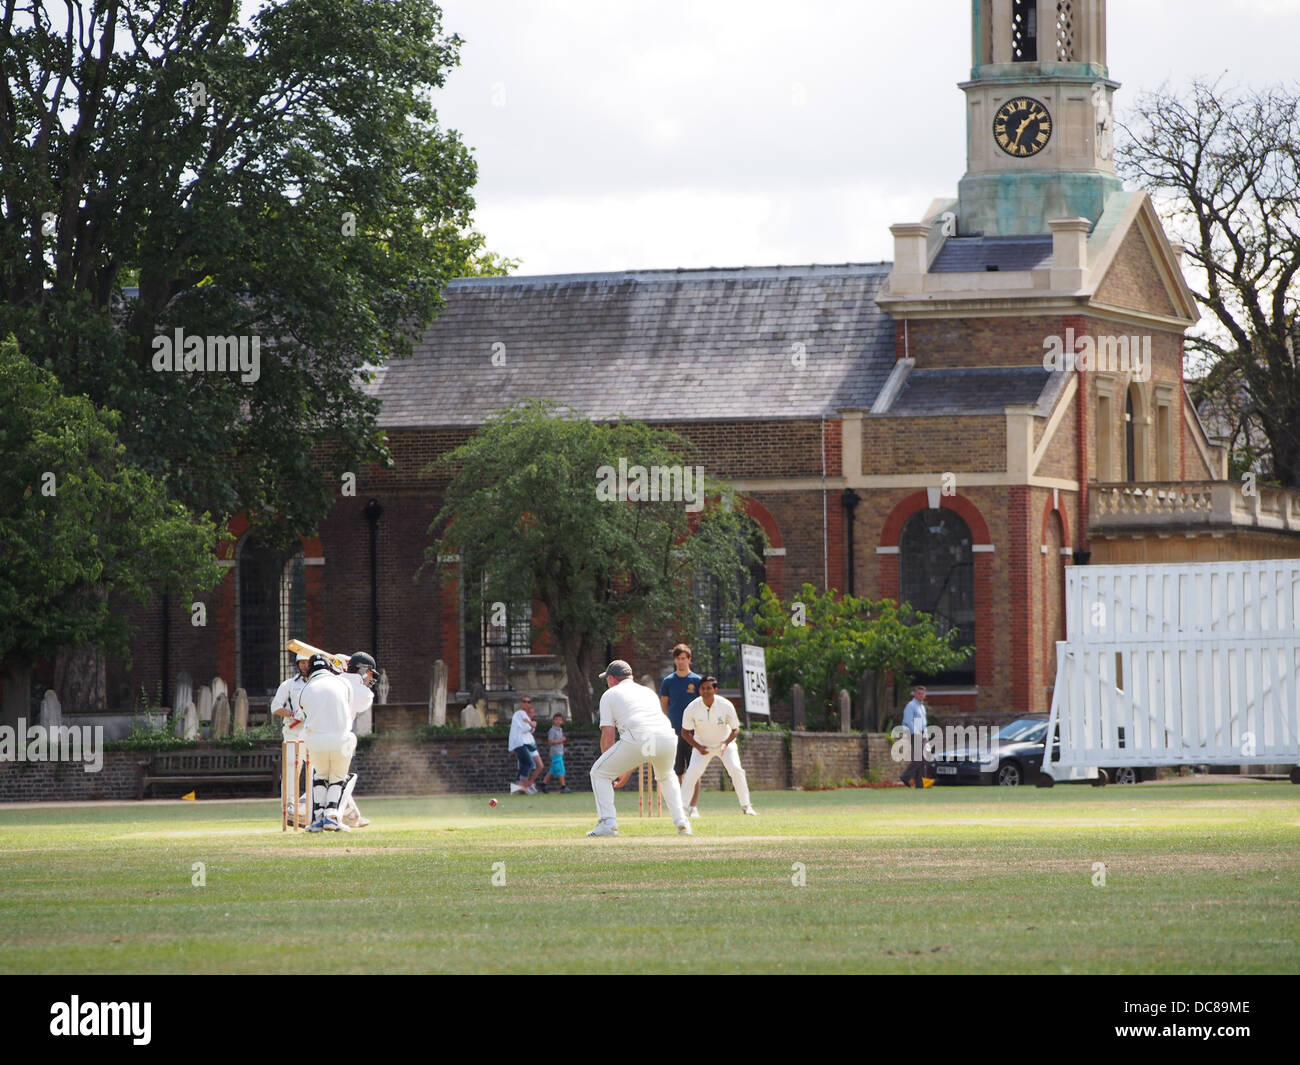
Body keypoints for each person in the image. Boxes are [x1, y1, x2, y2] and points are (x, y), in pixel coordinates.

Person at [587, 660, 690, 837]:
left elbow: (608, 735)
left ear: (611, 679)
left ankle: (608, 823)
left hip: (638, 737)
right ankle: (682, 823)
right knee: (667, 776)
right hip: (667, 737)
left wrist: (612, 769)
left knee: (599, 773)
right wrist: (623, 770)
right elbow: (645, 747)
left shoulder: (610, 694)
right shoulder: (647, 692)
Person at [288, 654, 358, 831]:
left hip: (315, 740)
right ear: (328, 668)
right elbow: (348, 709)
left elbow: (302, 715)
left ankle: (318, 819)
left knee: (320, 776)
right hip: (341, 739)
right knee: (337, 777)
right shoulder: (343, 683)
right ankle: (332, 816)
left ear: (310, 670)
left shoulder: (305, 689)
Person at [679, 675, 757, 816]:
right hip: (702, 746)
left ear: (715, 689)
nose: (706, 691)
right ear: (699, 690)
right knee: (691, 774)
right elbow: (685, 732)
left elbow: (735, 729)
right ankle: (683, 810)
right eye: (703, 688)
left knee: (736, 770)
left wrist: (725, 744)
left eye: (709, 688)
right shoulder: (692, 708)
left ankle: (746, 806)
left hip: (724, 745)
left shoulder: (725, 705)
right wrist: (698, 747)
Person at [335, 652, 378, 827]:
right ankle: (302, 808)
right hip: (339, 737)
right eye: (370, 673)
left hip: (316, 734)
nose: (371, 678)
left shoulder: (334, 681)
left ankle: (351, 815)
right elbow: (364, 701)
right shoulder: (362, 692)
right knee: (337, 778)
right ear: (362, 670)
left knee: (331, 776)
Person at [658, 643, 702, 815]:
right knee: (677, 771)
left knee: (695, 770)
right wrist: (667, 724)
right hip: (675, 730)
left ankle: (693, 806)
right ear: (675, 660)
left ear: (689, 659)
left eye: (684, 658)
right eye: (678, 659)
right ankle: (680, 805)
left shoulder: (697, 681)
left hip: (693, 731)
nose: (681, 662)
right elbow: (664, 705)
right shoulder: (668, 681)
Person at [271, 652, 312, 824]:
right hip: (292, 732)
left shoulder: (318, 684)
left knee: (314, 770)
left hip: (311, 731)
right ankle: (289, 805)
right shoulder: (288, 685)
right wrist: (293, 714)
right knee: (291, 768)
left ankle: (312, 806)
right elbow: (275, 707)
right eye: (301, 663)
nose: (303, 666)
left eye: (306, 662)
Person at [508, 696, 542, 795]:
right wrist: (532, 724)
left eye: (528, 702)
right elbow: (525, 728)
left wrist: (530, 724)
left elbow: (531, 729)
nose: (526, 704)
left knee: (524, 764)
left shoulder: (525, 716)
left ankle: (517, 787)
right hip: (519, 743)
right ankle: (522, 786)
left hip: (523, 743)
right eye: (524, 702)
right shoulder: (519, 713)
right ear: (521, 703)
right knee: (529, 763)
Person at [899, 685, 930, 788]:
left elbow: (924, 724)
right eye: (919, 693)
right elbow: (909, 721)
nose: (921, 695)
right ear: (915, 694)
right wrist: (917, 734)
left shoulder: (922, 707)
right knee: (920, 758)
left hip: (921, 734)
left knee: (922, 759)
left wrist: (925, 736)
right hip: (913, 733)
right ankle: (905, 777)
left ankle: (921, 784)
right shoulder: (911, 705)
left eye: (923, 693)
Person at [543, 712, 571, 793]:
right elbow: (550, 741)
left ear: (562, 721)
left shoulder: (560, 730)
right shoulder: (552, 730)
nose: (558, 721)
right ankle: (563, 786)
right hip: (555, 753)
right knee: (561, 769)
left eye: (560, 720)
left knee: (552, 770)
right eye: (556, 720)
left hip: (560, 752)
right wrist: (560, 740)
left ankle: (543, 784)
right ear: (553, 721)